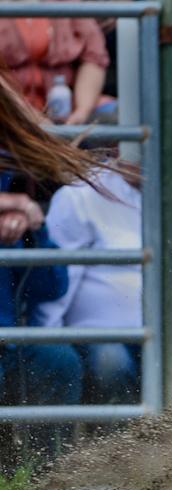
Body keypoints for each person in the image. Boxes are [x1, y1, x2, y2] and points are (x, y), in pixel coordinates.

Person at [34, 167, 142, 405]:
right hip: (99, 336)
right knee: (110, 362)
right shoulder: (81, 194)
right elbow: (59, 271)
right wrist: (47, 336)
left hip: (167, 333)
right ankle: (115, 441)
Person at [0, 172, 83, 465]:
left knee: (58, 362)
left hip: (8, 342)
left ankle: (42, 475)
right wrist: (14, 202)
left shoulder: (12, 179)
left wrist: (34, 232)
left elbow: (50, 287)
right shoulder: (13, 196)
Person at [0, 7, 110, 124]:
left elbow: (94, 56)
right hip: (9, 108)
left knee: (115, 117)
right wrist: (27, 114)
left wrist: (82, 111)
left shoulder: (67, 5)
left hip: (66, 107)